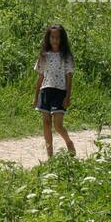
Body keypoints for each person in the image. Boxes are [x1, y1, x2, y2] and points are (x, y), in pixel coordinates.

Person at [33, 24, 76, 158]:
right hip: (45, 91)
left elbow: (69, 78)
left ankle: (68, 142)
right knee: (46, 123)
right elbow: (40, 76)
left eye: (57, 38)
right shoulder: (44, 56)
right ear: (48, 38)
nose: (55, 40)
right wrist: (35, 97)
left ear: (62, 39)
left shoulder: (66, 56)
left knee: (58, 125)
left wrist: (67, 96)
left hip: (60, 92)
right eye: (52, 37)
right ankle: (50, 155)